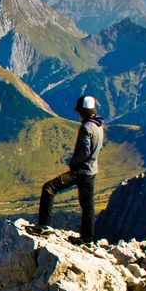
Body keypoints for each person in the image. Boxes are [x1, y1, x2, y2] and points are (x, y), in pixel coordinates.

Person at [34, 95, 104, 244]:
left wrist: (73, 162)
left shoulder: (86, 127)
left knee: (49, 188)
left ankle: (44, 226)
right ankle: (87, 238)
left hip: (81, 171)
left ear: (83, 110)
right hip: (92, 171)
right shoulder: (99, 125)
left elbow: (84, 152)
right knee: (88, 206)